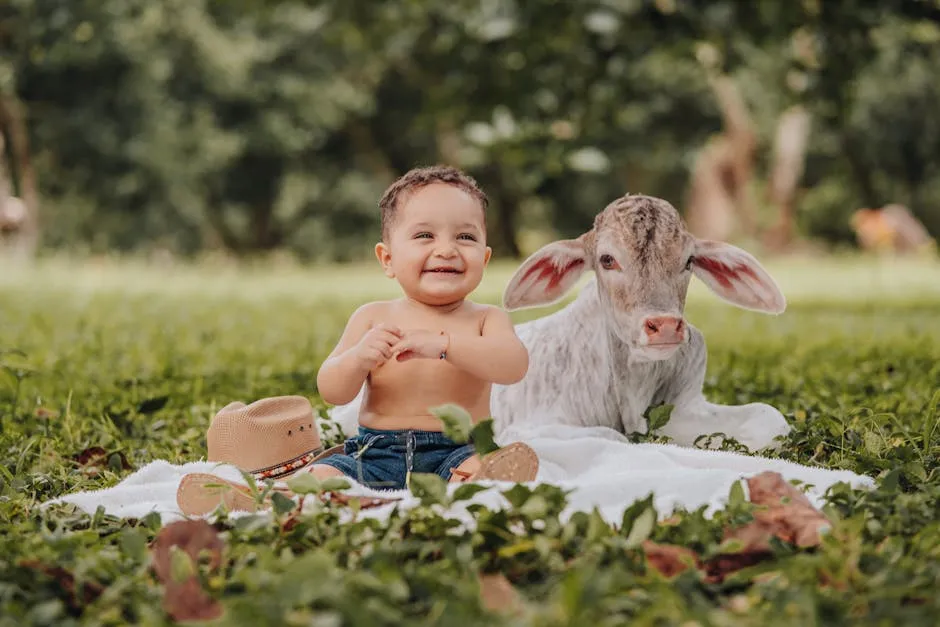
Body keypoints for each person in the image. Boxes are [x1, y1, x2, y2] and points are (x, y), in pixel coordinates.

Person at [177, 166, 538, 515]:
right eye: (425, 236)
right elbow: (333, 391)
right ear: (388, 258)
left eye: (466, 237)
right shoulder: (372, 317)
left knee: (479, 465)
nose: (447, 249)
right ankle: (272, 497)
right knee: (326, 474)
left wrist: (446, 345)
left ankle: (477, 482)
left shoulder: (486, 318)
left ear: (485, 258)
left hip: (457, 448)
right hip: (377, 451)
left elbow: (513, 366)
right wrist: (358, 358)